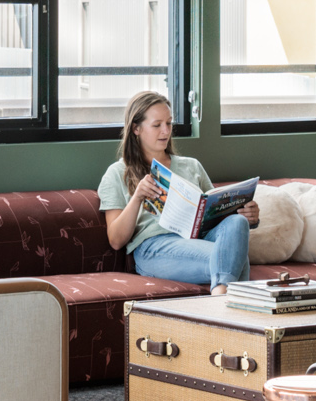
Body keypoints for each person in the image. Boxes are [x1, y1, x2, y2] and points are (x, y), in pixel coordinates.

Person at [99, 90, 259, 287]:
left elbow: (216, 213)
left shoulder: (191, 165)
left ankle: (220, 297)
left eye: (169, 123)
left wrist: (246, 213)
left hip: (197, 238)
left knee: (237, 222)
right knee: (232, 256)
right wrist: (138, 197)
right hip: (155, 248)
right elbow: (116, 240)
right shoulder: (117, 172)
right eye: (157, 125)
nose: (166, 131)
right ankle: (223, 298)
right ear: (136, 129)